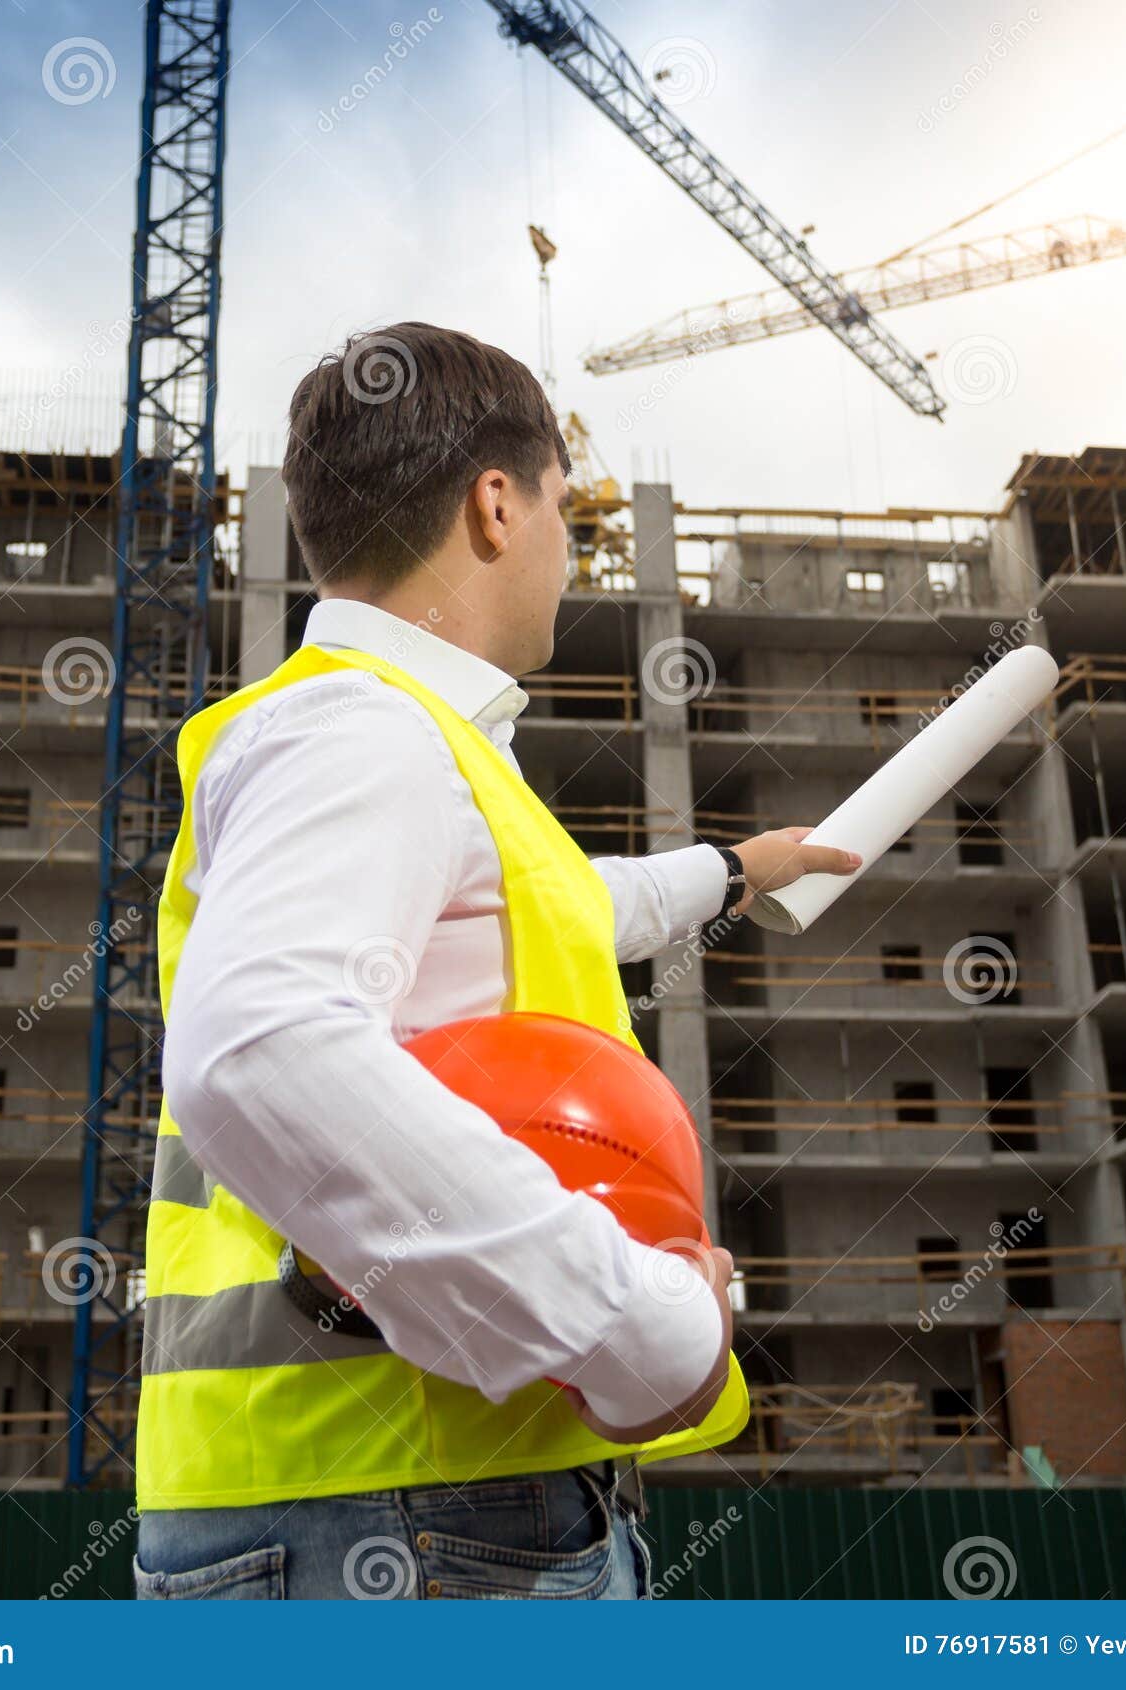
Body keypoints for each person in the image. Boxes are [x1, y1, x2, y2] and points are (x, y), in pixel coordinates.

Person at [132, 322, 861, 1601]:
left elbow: (571, 907)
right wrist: (632, 1318)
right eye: (566, 518)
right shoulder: (366, 733)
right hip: (401, 1516)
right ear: (494, 504)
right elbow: (261, 1046)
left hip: (376, 1502)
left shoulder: (403, 745)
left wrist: (741, 869)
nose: (570, 560)